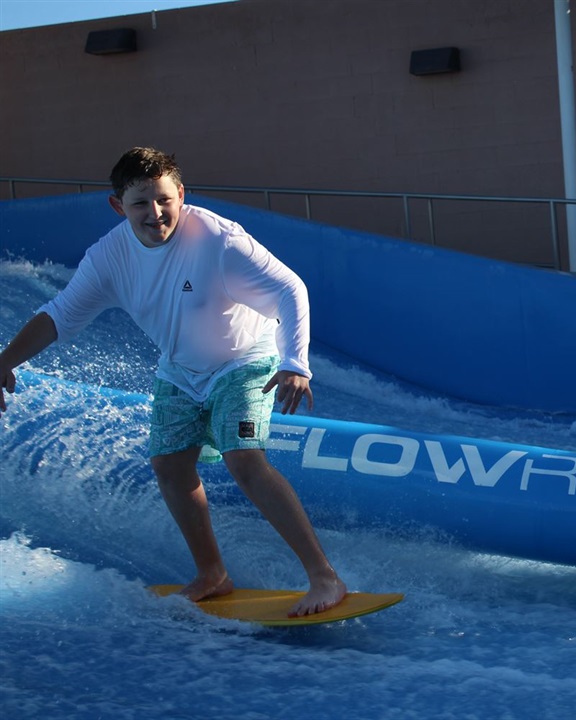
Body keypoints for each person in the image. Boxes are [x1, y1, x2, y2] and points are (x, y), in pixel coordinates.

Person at [0, 147, 347, 616]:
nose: (155, 213)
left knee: (244, 459)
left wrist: (295, 363)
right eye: (140, 203)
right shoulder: (108, 258)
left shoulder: (219, 241)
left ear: (180, 194)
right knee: (169, 465)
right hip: (181, 369)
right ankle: (213, 574)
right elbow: (60, 315)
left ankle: (324, 578)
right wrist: (7, 359)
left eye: (165, 199)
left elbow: (291, 288)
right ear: (117, 206)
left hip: (245, 359)